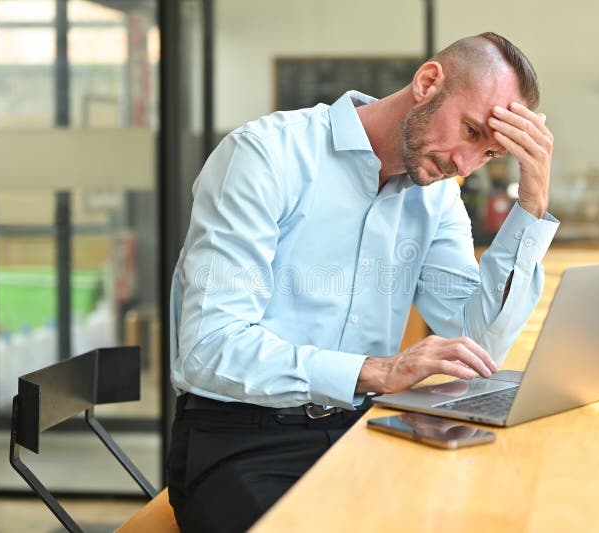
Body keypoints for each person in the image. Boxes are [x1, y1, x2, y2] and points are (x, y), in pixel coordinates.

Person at [167, 32, 559, 532]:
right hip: (244, 440)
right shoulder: (265, 156)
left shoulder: (437, 196)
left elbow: (476, 343)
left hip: (364, 429)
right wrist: (375, 372)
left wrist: (532, 206)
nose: (464, 163)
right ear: (428, 82)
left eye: (487, 154)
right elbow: (208, 350)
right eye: (470, 130)